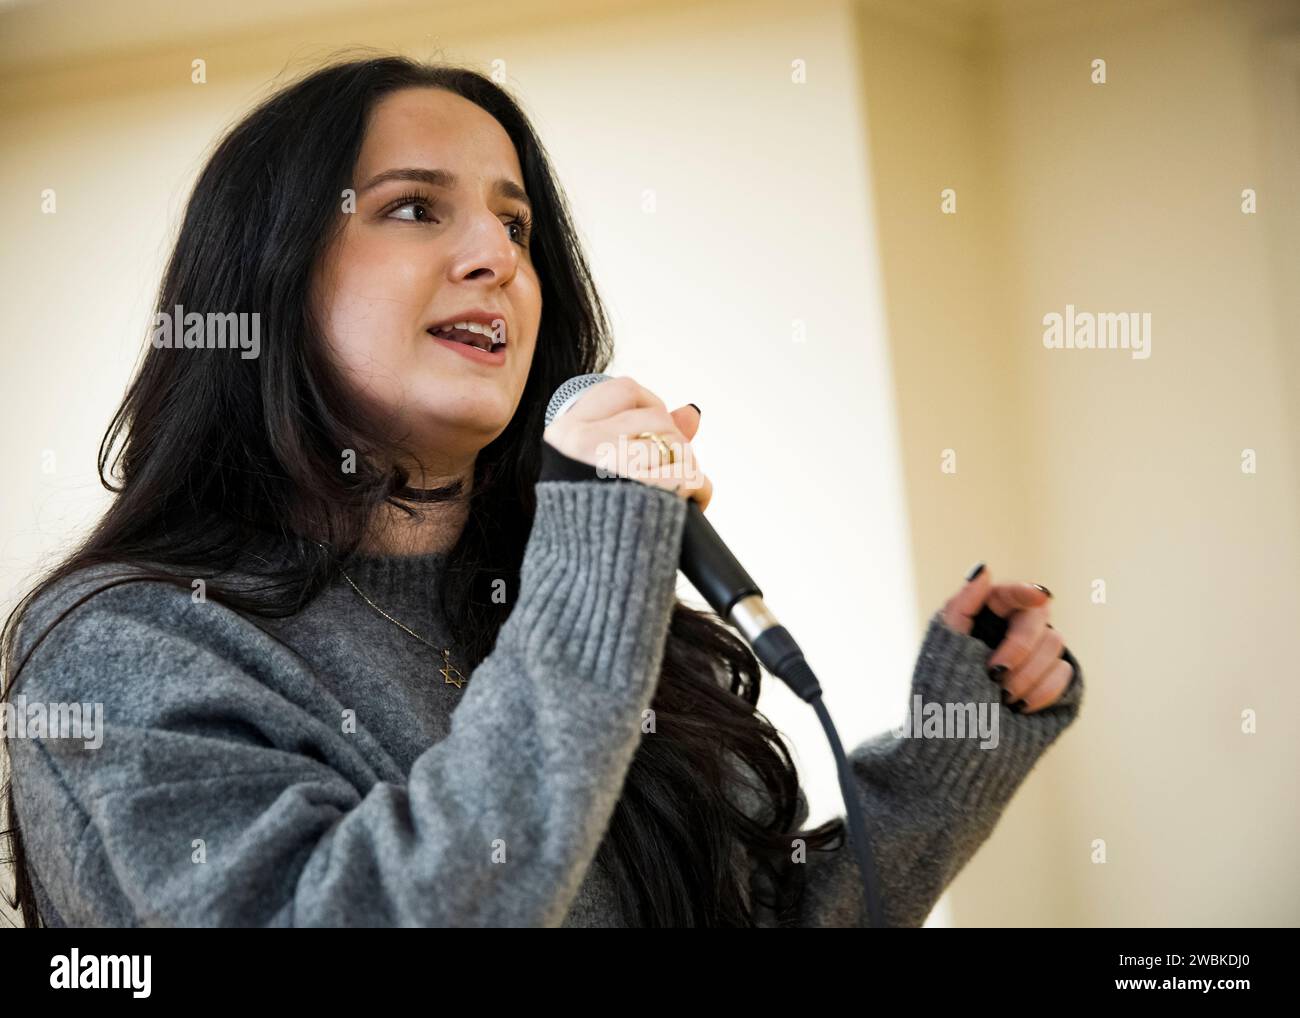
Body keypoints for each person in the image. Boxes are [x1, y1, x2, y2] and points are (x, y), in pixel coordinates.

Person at [0, 55, 1082, 928]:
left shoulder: (566, 602)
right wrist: (594, 575)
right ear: (269, 272)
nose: (497, 257)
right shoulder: (130, 643)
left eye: (515, 225)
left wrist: (952, 751)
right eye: (414, 208)